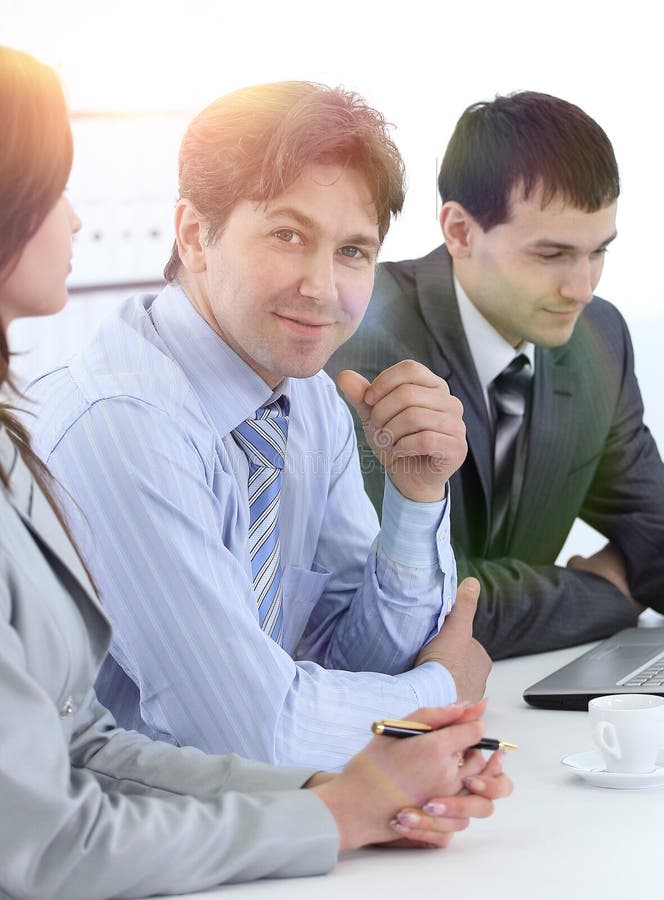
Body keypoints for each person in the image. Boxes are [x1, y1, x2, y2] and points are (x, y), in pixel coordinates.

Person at [0, 45, 513, 900]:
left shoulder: (300, 392)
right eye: (287, 235)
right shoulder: (128, 421)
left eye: (353, 252)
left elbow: (353, 655)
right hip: (160, 856)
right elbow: (249, 729)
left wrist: (416, 500)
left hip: (222, 840)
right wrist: (438, 698)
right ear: (193, 235)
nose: (322, 286)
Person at [327, 91, 664, 660]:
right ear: (459, 231)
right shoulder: (362, 334)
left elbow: (655, 533)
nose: (582, 288)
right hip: (385, 713)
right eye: (552, 255)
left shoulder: (598, 337)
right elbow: (416, 596)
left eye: (598, 252)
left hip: (519, 693)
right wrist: (608, 594)